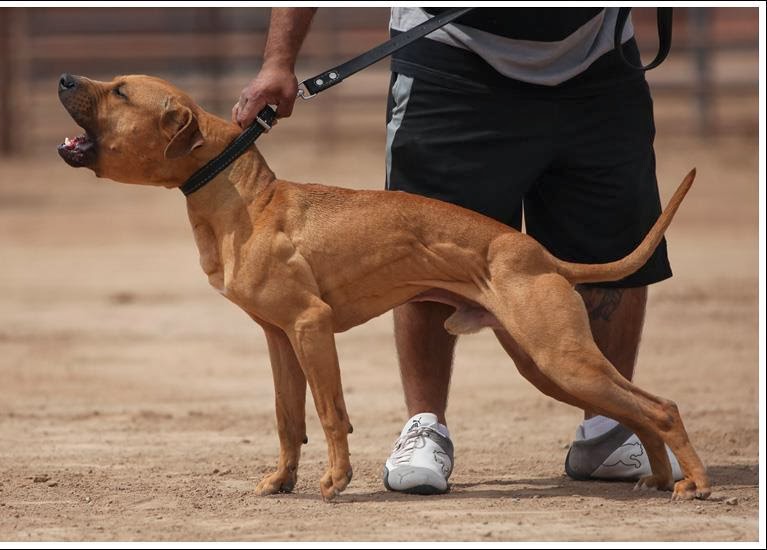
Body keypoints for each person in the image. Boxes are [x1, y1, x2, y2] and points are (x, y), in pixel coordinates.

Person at [233, 7, 683, 494]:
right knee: (413, 247)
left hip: (598, 53)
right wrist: (279, 60)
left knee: (609, 246)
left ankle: (609, 429)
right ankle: (425, 425)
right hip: (451, 51)